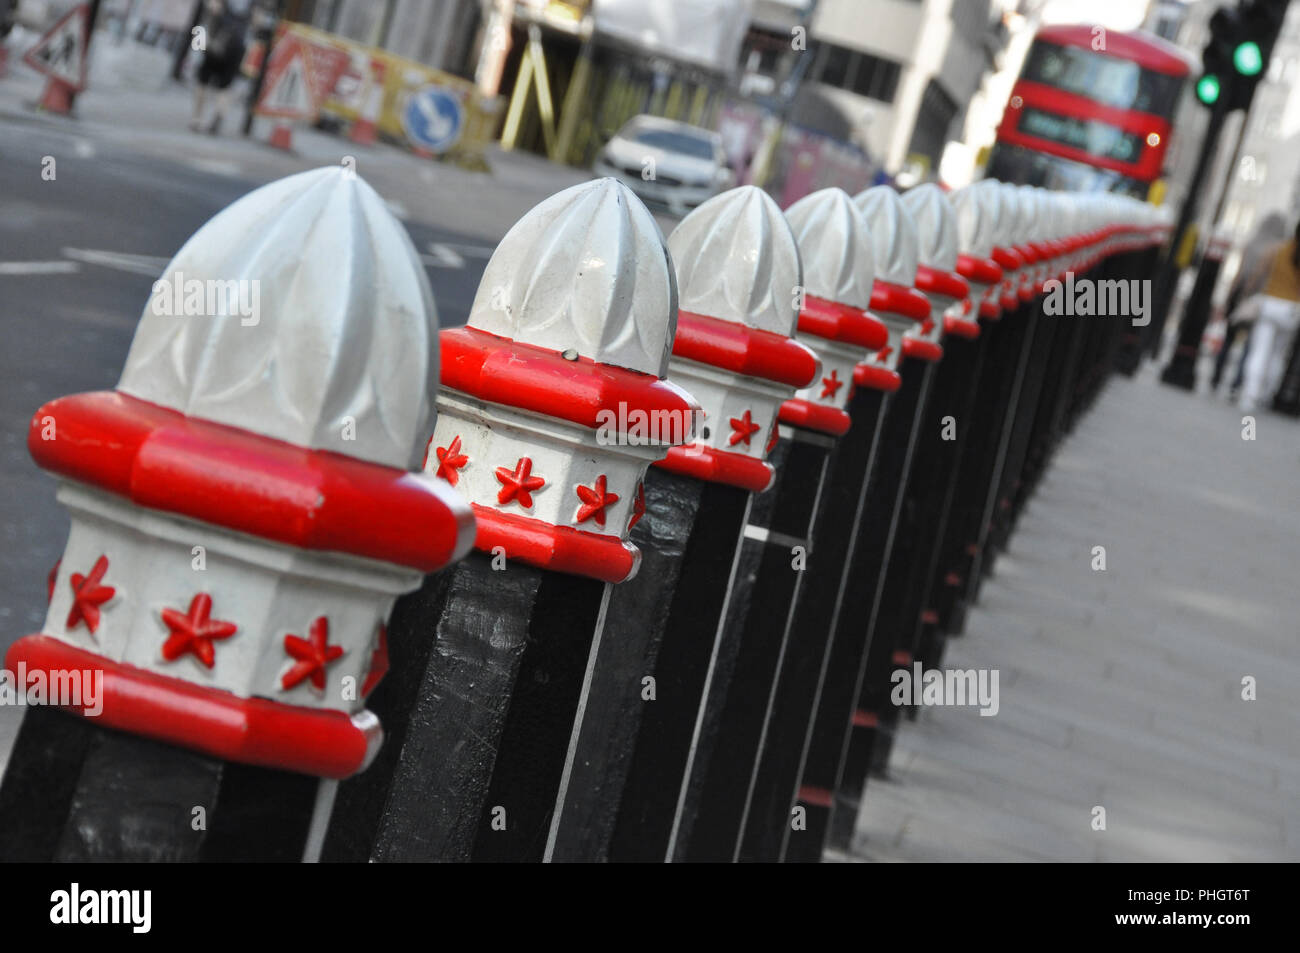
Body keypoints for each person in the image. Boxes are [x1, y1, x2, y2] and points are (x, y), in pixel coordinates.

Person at [1212, 213, 1287, 397]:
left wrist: (1231, 295)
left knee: (1229, 339)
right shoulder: (1279, 249)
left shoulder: (1252, 243)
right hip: (1261, 299)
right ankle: (1236, 384)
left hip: (1241, 294)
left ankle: (1216, 378)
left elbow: (1240, 272)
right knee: (1250, 345)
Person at [1237, 217, 1300, 413]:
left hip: (1271, 304)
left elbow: (1258, 274)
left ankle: (1250, 394)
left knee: (1260, 350)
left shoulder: (1277, 249)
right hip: (1293, 310)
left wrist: (1247, 292)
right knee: (1278, 354)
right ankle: (1266, 394)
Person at [190, 0, 248, 135]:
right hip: (238, 44)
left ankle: (197, 118)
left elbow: (212, 7)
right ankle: (219, 114)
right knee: (225, 85)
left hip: (216, 42)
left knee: (203, 81)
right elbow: (258, 20)